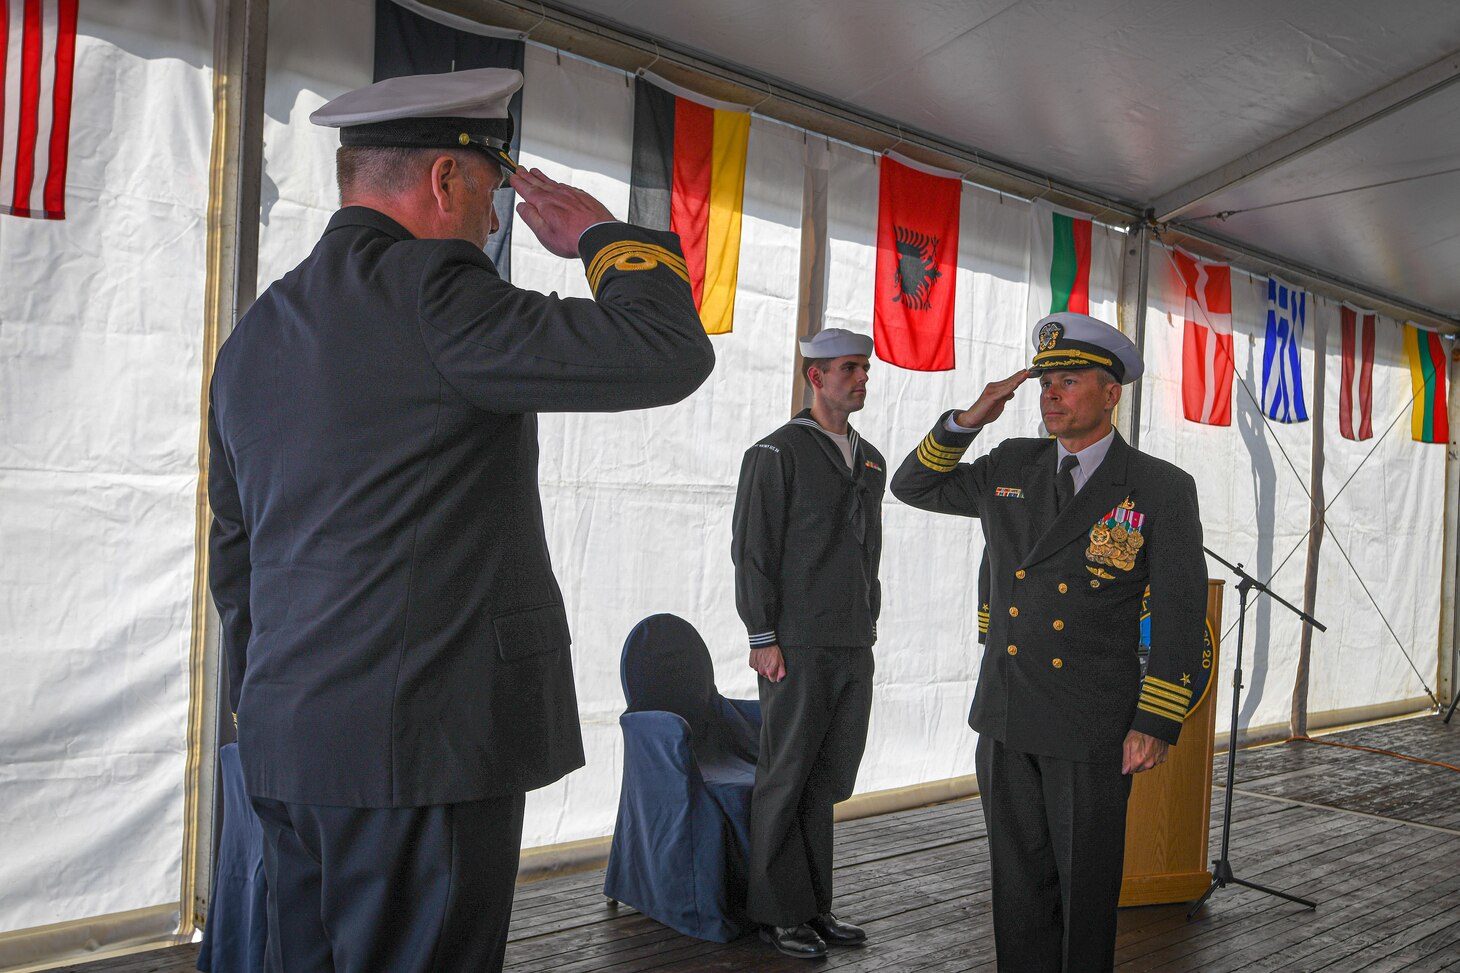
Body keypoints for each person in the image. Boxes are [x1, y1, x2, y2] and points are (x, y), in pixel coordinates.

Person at [206, 67, 714, 972]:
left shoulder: (257, 332)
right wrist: (603, 234)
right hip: (420, 756)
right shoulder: (438, 294)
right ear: (445, 179)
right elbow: (668, 352)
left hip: (290, 747)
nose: (494, 221)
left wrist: (279, 699)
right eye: (490, 192)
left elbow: (235, 555)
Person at [890, 311, 1206, 973]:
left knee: (1085, 885)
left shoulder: (1159, 487)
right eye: (1045, 383)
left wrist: (1156, 719)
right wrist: (973, 415)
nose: (1051, 393)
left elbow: (1179, 612)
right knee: (1017, 884)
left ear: (1112, 393)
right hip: (1006, 715)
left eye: (1069, 380)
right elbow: (912, 485)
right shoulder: (1011, 463)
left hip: (1090, 722)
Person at [730, 328, 886, 959]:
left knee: (827, 778)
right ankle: (776, 911)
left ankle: (815, 905)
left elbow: (868, 550)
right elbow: (752, 549)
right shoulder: (776, 453)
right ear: (815, 377)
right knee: (785, 775)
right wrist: (762, 635)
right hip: (794, 644)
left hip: (851, 641)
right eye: (849, 369)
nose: (861, 378)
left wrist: (869, 622)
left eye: (865, 369)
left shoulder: (869, 458)